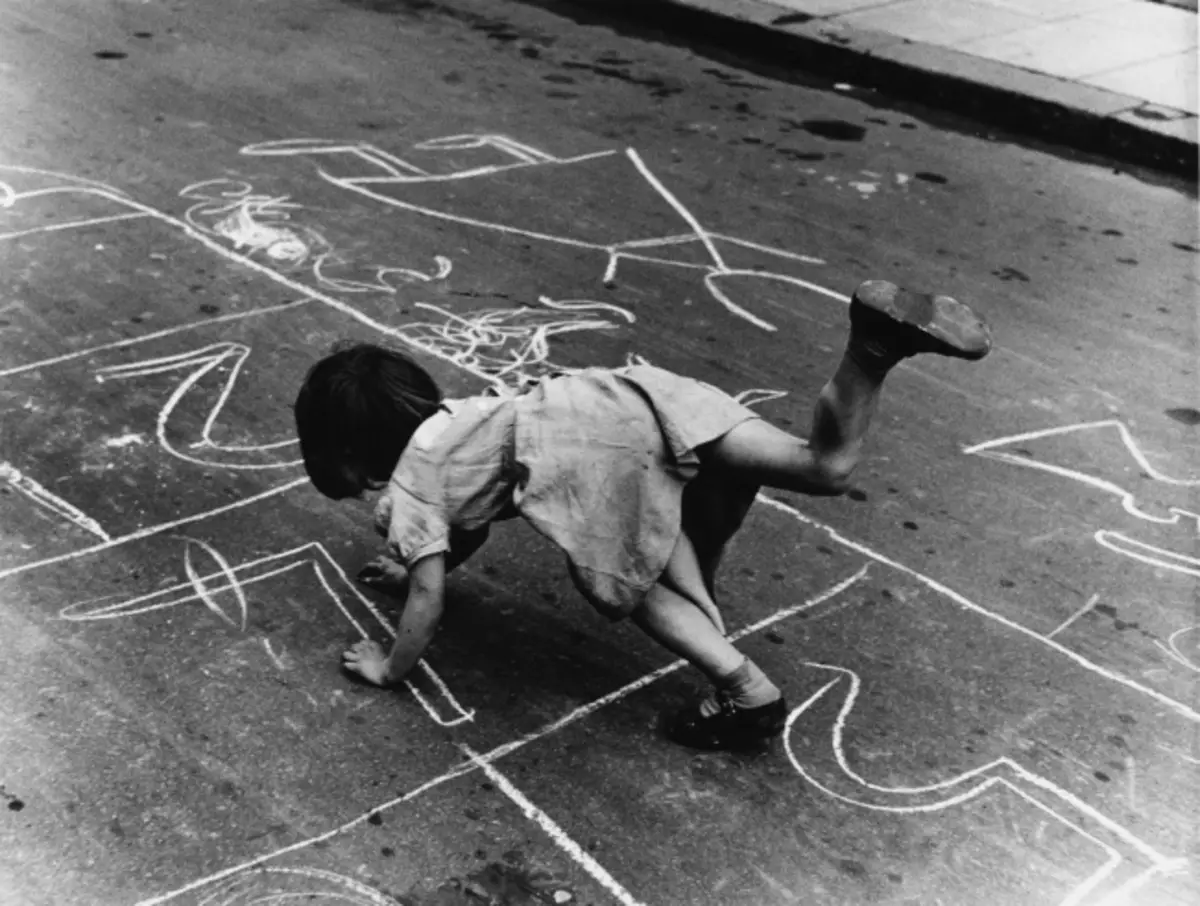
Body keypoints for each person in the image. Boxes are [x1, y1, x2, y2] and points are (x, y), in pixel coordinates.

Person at [293, 280, 991, 751]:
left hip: (585, 450)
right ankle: (871, 349)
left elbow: (430, 592)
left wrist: (390, 665)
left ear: (349, 454)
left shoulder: (411, 489)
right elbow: (463, 528)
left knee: (637, 578)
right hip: (620, 397)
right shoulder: (455, 422)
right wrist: (413, 555)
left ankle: (747, 692)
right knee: (819, 467)